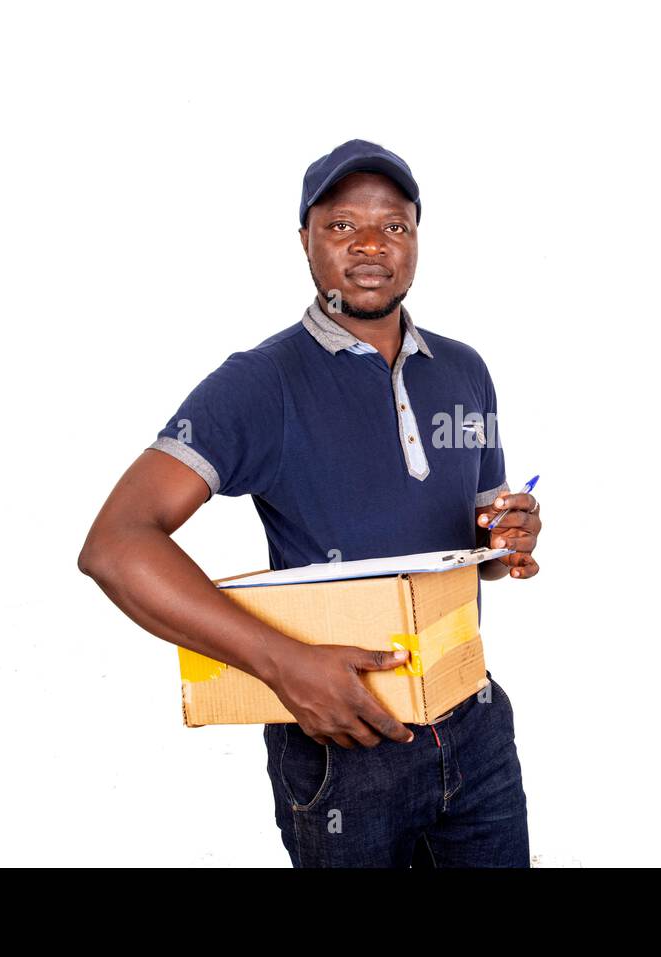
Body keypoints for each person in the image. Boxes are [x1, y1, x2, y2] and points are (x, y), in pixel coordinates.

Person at [77, 138, 542, 867]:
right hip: (347, 746)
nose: (370, 244)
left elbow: (476, 546)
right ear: (304, 241)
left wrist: (505, 538)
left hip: (474, 723)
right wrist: (282, 663)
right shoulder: (261, 383)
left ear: (416, 239)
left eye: (394, 225)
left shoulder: (463, 370)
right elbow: (115, 545)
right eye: (340, 224)